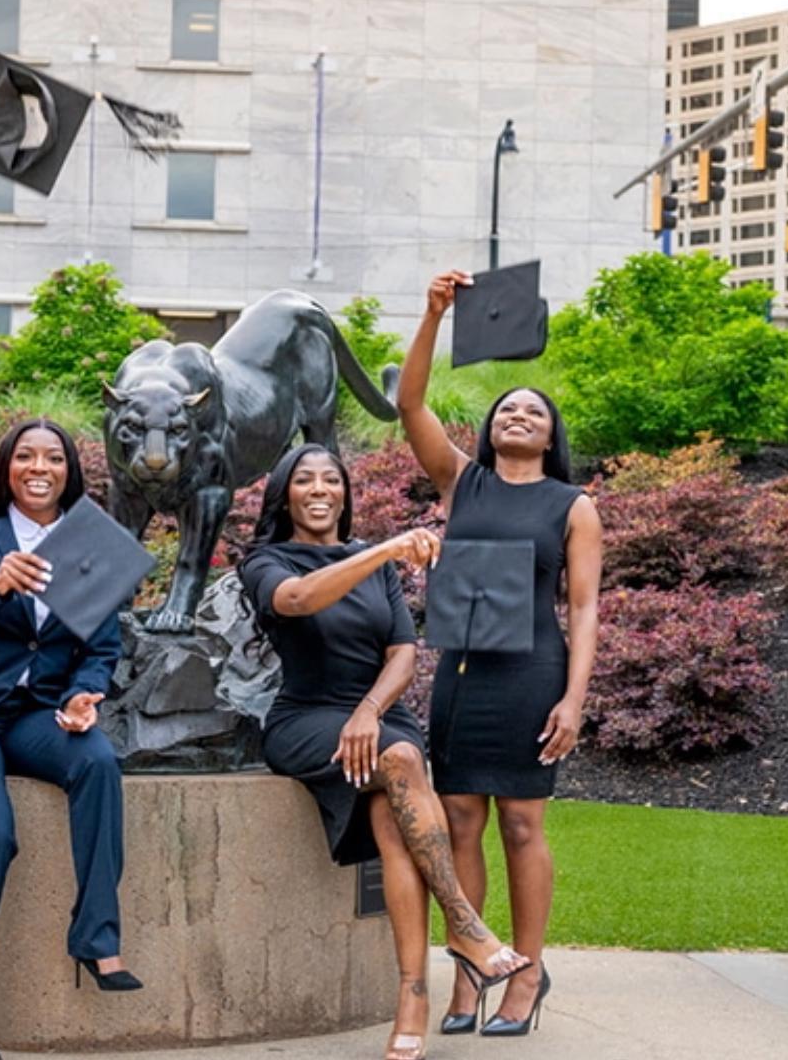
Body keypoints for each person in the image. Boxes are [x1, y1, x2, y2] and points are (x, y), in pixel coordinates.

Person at [237, 444, 531, 1060]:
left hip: (378, 715)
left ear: (345, 494)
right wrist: (383, 549)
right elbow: (297, 600)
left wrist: (370, 711)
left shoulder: (379, 569)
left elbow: (403, 651)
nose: (319, 490)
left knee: (394, 818)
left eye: (331, 480)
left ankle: (411, 998)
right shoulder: (267, 561)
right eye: (304, 480)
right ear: (285, 495)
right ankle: (466, 926)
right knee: (400, 761)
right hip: (306, 719)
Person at [397, 271, 604, 1038]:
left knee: (521, 823)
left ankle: (526, 971)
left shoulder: (573, 506)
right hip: (460, 674)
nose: (518, 414)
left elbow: (582, 608)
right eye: (506, 408)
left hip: (531, 675)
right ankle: (473, 972)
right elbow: (410, 403)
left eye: (534, 411)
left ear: (551, 437)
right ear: (490, 429)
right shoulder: (463, 482)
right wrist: (432, 315)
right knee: (458, 822)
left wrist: (574, 699)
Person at [0, 420, 138, 1060]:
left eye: (54, 458)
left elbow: (101, 648)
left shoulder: (89, 547)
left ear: (69, 470)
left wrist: (81, 695)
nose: (40, 467)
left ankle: (96, 936)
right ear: (6, 469)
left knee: (97, 761)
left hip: (37, 715)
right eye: (25, 456)